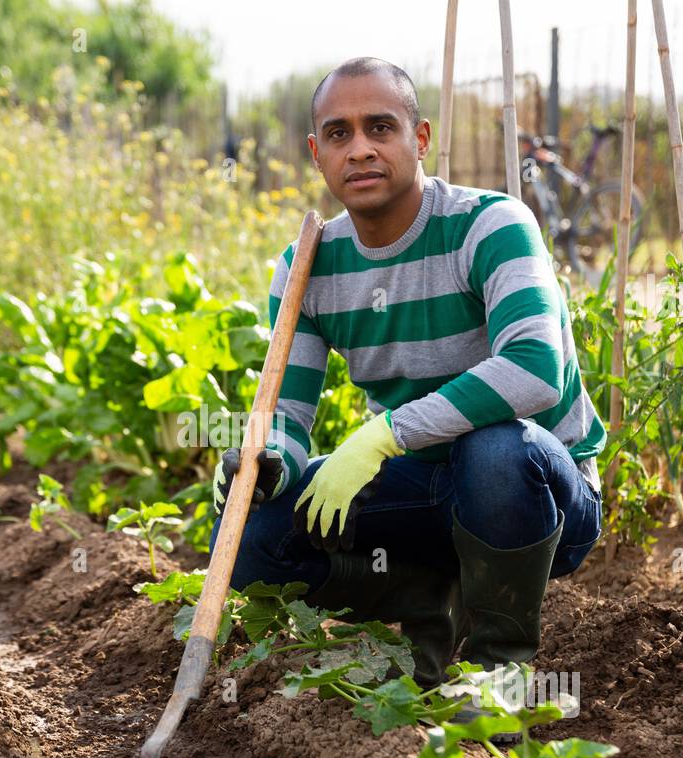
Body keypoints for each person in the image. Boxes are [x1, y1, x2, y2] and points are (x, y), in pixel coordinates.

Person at [208, 57, 605, 696]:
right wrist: (271, 460)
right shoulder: (309, 265)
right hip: (423, 487)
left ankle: (499, 669)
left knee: (497, 449)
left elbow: (535, 372)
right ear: (317, 153)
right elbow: (286, 413)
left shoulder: (491, 225)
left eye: (380, 128)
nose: (360, 149)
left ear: (419, 139)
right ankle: (430, 599)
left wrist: (383, 435)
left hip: (540, 495)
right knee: (248, 535)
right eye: (339, 134)